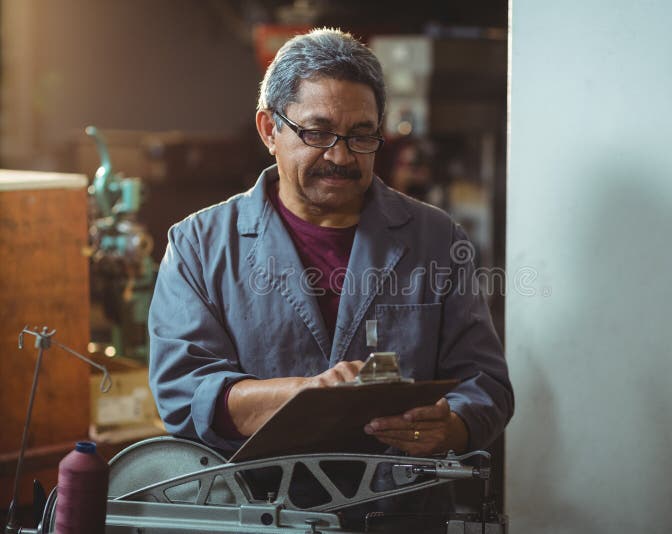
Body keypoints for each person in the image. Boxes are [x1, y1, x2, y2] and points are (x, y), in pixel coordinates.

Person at [148, 27, 513, 520]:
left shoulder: (436, 239)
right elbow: (184, 395)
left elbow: (486, 382)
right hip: (263, 517)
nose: (341, 157)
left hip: (402, 516)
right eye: (317, 134)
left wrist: (453, 426)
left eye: (361, 135)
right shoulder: (198, 246)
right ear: (269, 130)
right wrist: (310, 398)